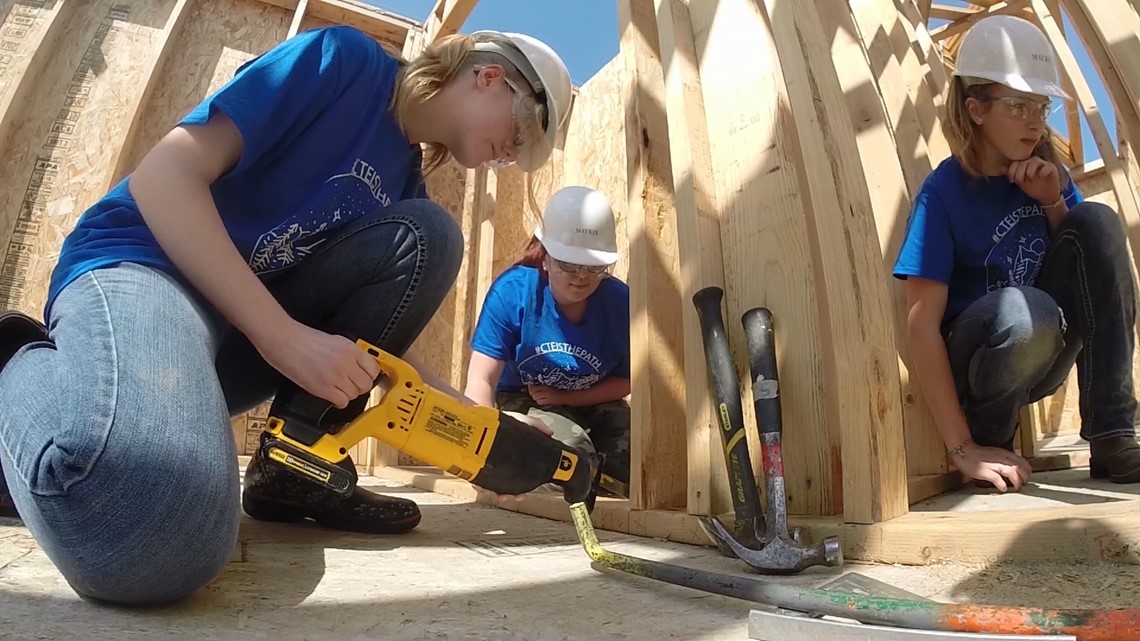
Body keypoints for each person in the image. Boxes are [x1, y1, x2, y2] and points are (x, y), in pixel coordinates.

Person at [0, 24, 573, 605]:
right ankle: (13, 364)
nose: (512, 154)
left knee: (429, 236)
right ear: (490, 77)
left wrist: (486, 427)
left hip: (236, 327)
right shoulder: (344, 61)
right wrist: (281, 339)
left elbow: (389, 360)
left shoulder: (405, 191)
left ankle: (291, 468)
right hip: (145, 267)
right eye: (520, 133)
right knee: (158, 544)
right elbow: (164, 177)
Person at [893, 15, 1140, 493]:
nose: (1034, 119)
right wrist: (961, 448)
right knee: (1026, 309)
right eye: (1017, 104)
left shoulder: (1048, 175)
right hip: (980, 362)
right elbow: (920, 325)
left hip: (1043, 350)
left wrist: (1052, 201)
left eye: (1040, 106)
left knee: (1097, 221)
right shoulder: (942, 193)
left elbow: (1091, 276)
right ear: (976, 109)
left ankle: (1112, 435)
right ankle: (990, 437)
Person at [464, 186, 631, 496]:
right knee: (571, 457)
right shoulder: (512, 292)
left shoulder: (620, 303)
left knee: (629, 466)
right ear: (544, 257)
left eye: (594, 267)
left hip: (593, 395)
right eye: (568, 263)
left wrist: (567, 398)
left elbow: (628, 381)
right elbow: (480, 379)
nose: (581, 276)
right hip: (525, 395)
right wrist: (480, 451)